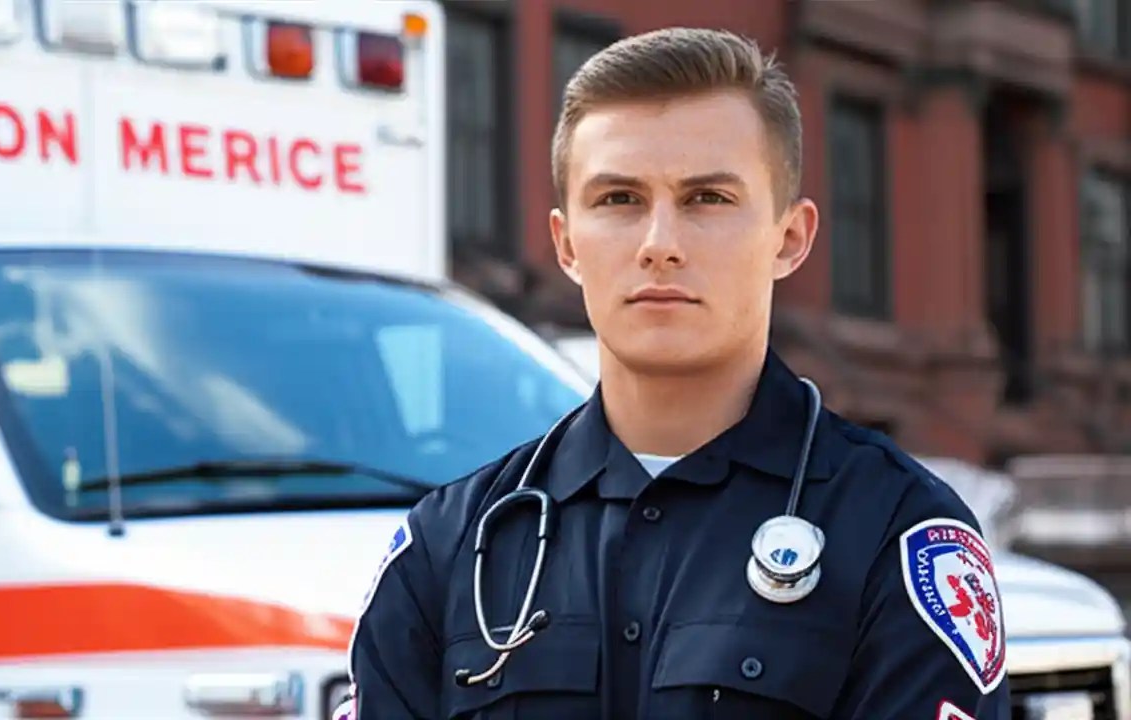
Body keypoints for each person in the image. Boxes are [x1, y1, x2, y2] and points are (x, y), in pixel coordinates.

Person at [336, 26, 1010, 720]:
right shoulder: (452, 545)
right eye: (619, 200)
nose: (660, 244)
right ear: (567, 245)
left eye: (707, 199)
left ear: (790, 238)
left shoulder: (898, 533)